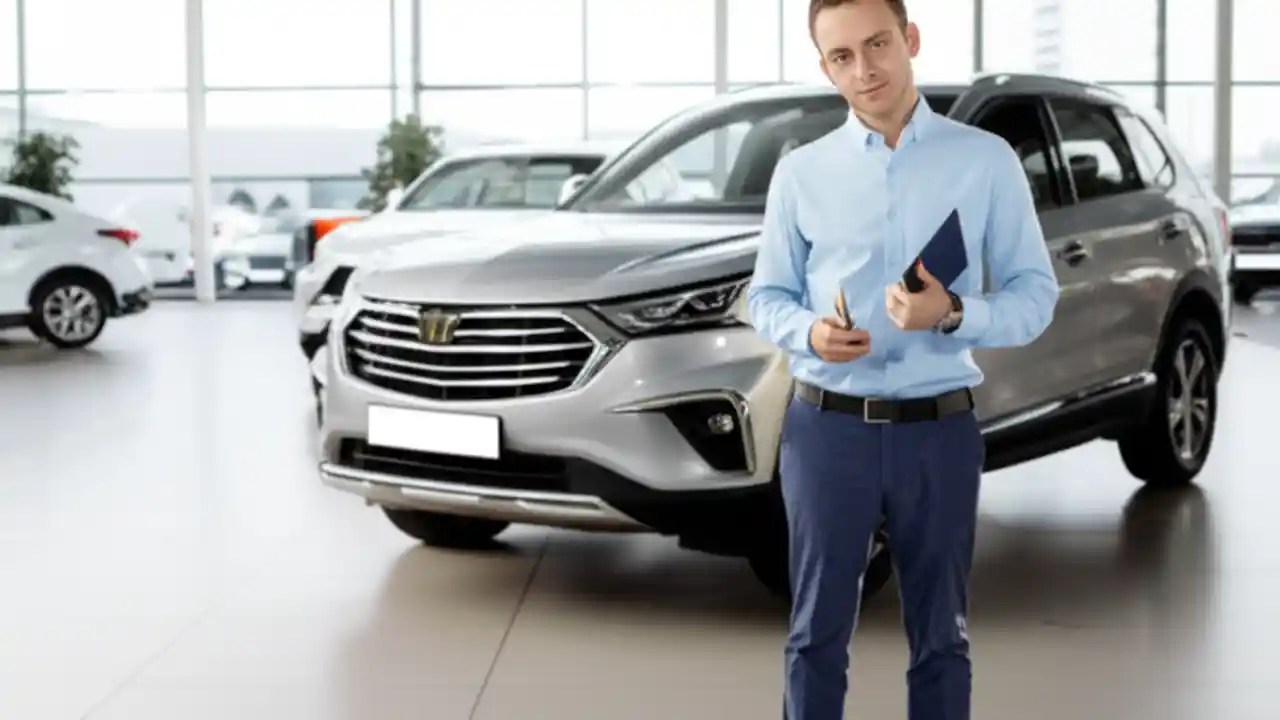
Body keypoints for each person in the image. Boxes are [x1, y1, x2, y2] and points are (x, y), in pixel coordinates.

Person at [746, 1, 1060, 718]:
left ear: (910, 39)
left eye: (878, 44)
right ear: (825, 68)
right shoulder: (801, 173)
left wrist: (951, 313)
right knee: (814, 637)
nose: (865, 68)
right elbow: (766, 295)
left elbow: (1035, 298)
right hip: (827, 432)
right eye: (842, 57)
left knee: (942, 638)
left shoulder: (985, 161)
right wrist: (808, 334)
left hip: (939, 433)